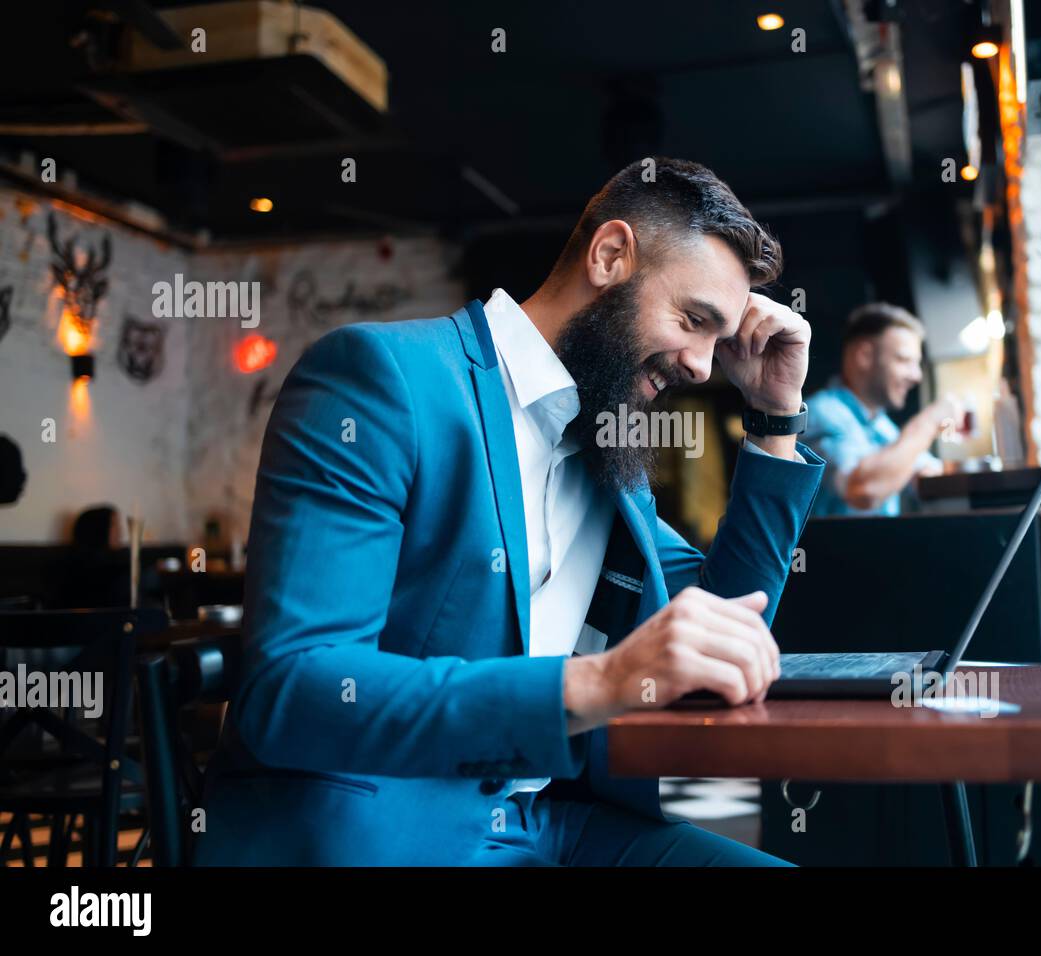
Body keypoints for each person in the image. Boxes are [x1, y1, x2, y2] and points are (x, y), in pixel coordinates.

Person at [195, 158, 824, 866]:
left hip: (548, 824)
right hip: (383, 833)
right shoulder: (380, 379)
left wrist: (774, 418)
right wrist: (597, 683)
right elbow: (294, 689)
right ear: (610, 256)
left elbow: (723, 622)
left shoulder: (605, 447)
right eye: (693, 319)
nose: (705, 368)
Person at [805, 303, 957, 517]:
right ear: (864, 356)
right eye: (904, 360)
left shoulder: (882, 425)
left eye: (917, 363)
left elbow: (927, 473)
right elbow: (863, 490)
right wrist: (928, 423)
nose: (917, 376)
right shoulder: (820, 413)